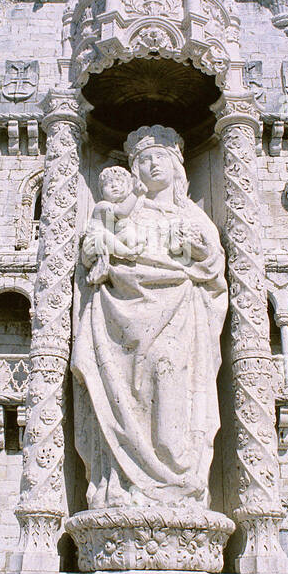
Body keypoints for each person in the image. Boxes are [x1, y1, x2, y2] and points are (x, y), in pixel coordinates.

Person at [73, 125, 228, 508]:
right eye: (143, 160)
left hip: (178, 313)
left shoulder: (190, 214)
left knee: (169, 376)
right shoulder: (123, 208)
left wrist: (195, 248)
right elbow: (91, 249)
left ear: (178, 168)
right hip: (119, 316)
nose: (151, 164)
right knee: (125, 392)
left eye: (160, 157)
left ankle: (180, 482)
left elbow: (213, 262)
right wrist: (102, 246)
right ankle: (123, 486)